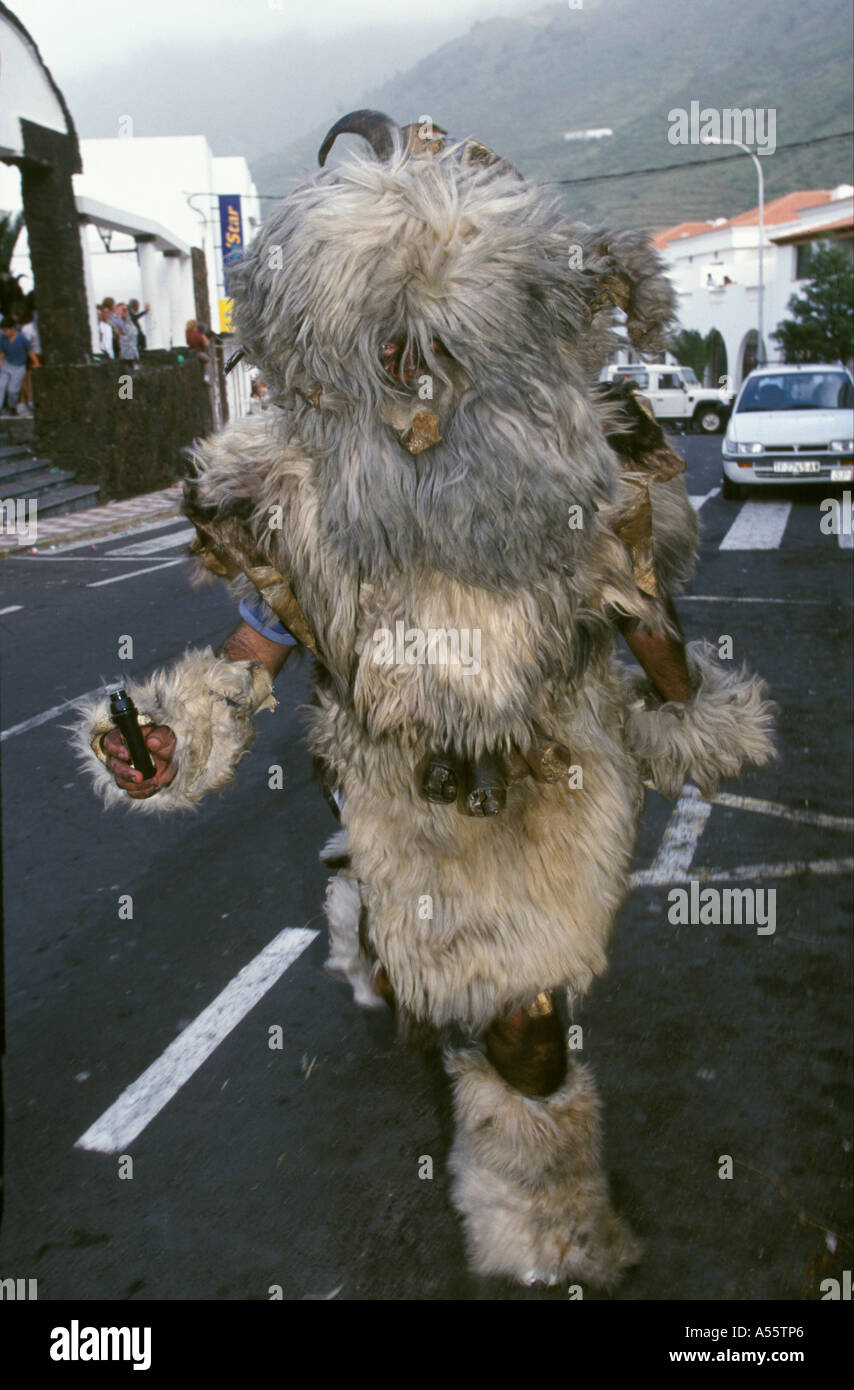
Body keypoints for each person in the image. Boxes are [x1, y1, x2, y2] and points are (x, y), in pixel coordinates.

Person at [73, 110, 776, 1291]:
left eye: (438, 336)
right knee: (427, 978)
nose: (412, 372)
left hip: (549, 785)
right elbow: (261, 642)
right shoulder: (298, 486)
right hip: (403, 791)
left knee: (524, 1019)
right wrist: (176, 733)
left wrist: (681, 702)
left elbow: (637, 602)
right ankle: (391, 945)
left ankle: (544, 1231)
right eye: (386, 341)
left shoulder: (569, 458)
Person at [0, 316, 37, 414]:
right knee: (1, 386)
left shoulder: (21, 338)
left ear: (12, 329)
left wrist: (36, 362)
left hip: (19, 367)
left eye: (6, 330)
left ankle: (12, 407)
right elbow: (2, 352)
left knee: (13, 390)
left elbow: (30, 350)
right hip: (7, 365)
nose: (4, 332)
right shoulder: (2, 338)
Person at [114, 303, 140, 368]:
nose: (126, 311)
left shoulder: (130, 322)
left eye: (127, 310)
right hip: (124, 356)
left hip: (133, 354)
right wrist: (119, 316)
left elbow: (134, 333)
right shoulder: (117, 321)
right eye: (124, 310)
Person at [185, 318, 211, 383]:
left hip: (186, 353)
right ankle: (206, 378)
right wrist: (203, 351)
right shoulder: (197, 334)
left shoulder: (185, 333)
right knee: (207, 360)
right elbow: (203, 345)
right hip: (196, 353)